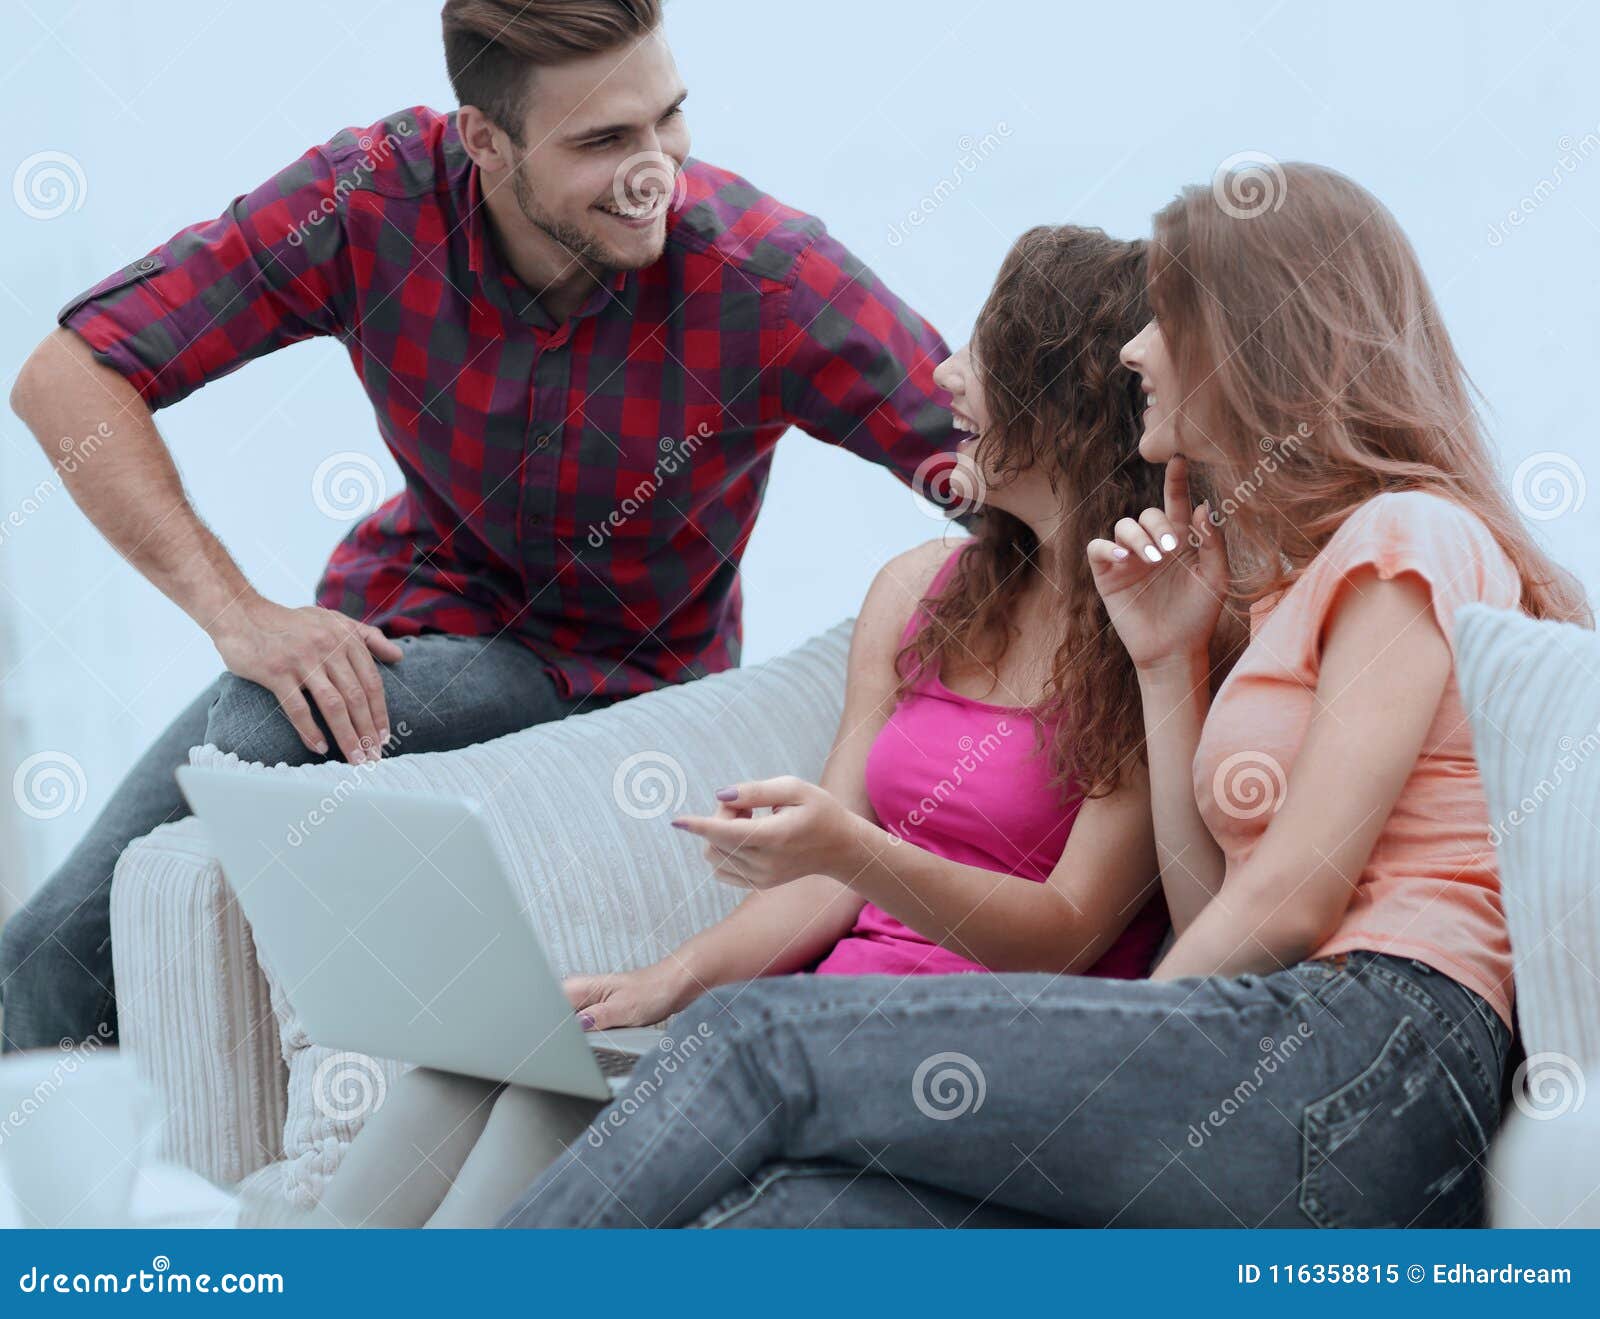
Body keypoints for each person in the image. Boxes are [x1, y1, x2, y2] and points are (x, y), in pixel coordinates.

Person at [495, 161, 1593, 1229]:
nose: (1134, 350)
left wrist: (1110, 1028)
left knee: (751, 1038)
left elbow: (1296, 902)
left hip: (1368, 1062)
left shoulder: (1410, 533)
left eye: (1164, 316)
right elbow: (1215, 916)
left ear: (1252, 340)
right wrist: (1167, 665)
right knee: (797, 1220)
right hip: (1276, 1061)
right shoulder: (1274, 600)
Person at [0, 0, 960, 1052]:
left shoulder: (763, 277)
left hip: (607, 675)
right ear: (483, 141)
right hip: (410, 618)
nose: (655, 170)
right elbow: (67, 375)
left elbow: (1008, 462)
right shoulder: (368, 199)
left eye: (666, 119)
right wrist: (235, 612)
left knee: (258, 727)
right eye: (602, 141)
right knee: (45, 954)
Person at [241, 224, 1172, 1228]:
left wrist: (856, 853)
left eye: (984, 350)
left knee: (540, 1121)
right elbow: (826, 873)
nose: (944, 375)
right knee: (477, 1068)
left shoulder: (1151, 632)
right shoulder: (921, 593)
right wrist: (664, 980)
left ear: (1067, 396)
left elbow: (1070, 935)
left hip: (964, 1053)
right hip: (809, 1020)